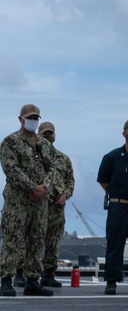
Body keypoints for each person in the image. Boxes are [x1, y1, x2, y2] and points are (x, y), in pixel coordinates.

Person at [0, 103, 54, 297]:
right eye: (29, 117)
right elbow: (11, 169)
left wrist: (43, 188)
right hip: (18, 201)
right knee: (12, 239)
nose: (32, 121)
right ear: (21, 119)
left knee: (36, 239)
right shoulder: (10, 142)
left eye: (35, 118)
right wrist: (32, 188)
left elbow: (52, 169)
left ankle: (32, 280)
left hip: (39, 202)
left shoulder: (45, 145)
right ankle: (6, 279)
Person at [97, 119, 128, 295]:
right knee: (115, 244)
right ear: (124, 134)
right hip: (119, 207)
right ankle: (111, 281)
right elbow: (103, 180)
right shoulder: (112, 157)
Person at [38, 121, 74, 289]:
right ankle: (24, 273)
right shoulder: (34, 156)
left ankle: (48, 274)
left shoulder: (63, 159)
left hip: (56, 207)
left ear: (55, 136)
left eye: (50, 133)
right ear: (39, 135)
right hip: (37, 205)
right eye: (44, 133)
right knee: (31, 240)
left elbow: (70, 181)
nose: (48, 136)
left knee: (53, 241)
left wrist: (65, 195)